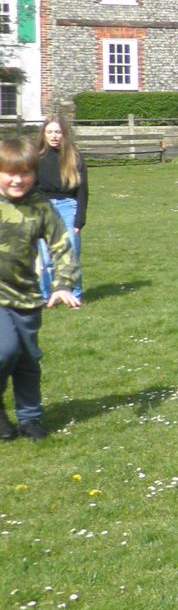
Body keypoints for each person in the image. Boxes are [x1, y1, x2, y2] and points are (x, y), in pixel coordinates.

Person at [0, 137, 81, 440]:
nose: (18, 180)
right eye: (10, 173)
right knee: (5, 350)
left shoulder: (41, 206)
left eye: (25, 174)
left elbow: (62, 246)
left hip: (27, 295)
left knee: (27, 359)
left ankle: (29, 418)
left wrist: (62, 285)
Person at [35, 112, 87, 305]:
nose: (54, 136)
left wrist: (79, 220)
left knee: (71, 254)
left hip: (68, 207)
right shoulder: (36, 157)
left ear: (63, 134)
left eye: (57, 132)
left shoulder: (74, 157)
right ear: (44, 134)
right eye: (50, 132)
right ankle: (46, 297)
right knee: (46, 258)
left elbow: (83, 190)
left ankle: (75, 295)